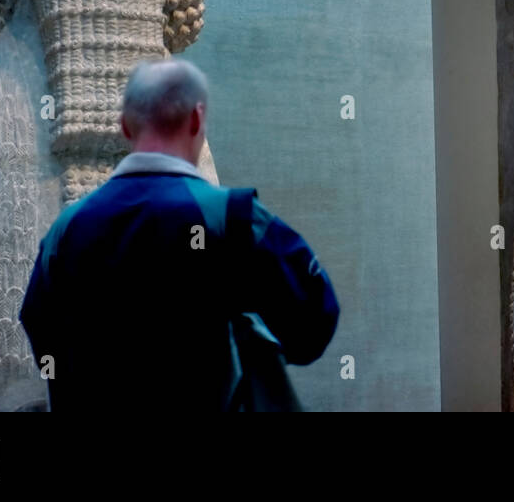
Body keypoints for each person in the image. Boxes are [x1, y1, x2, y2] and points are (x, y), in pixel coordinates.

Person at [19, 58, 339, 411]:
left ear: (125, 125)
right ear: (198, 119)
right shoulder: (232, 217)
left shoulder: (67, 229)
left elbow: (41, 330)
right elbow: (314, 320)